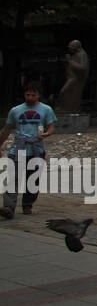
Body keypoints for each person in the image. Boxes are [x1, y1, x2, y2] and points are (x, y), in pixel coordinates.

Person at [0, 84, 57, 218]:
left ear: (38, 95)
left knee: (33, 179)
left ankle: (27, 204)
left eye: (33, 95)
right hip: (19, 148)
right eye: (28, 95)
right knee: (13, 178)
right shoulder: (15, 110)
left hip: (36, 148)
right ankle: (8, 207)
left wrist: (46, 134)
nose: (30, 97)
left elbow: (52, 127)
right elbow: (6, 129)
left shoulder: (46, 109)